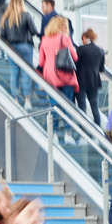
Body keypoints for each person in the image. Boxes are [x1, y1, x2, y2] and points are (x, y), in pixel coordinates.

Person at [38, 16, 77, 145]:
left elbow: (41, 62)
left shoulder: (44, 40)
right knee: (67, 106)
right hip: (64, 75)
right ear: (61, 27)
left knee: (53, 106)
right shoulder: (64, 38)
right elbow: (74, 57)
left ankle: (53, 134)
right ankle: (67, 134)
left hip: (49, 77)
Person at [0, 0, 38, 109]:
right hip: (25, 46)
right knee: (26, 73)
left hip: (11, 48)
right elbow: (34, 31)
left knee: (14, 74)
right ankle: (27, 101)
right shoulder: (26, 15)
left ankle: (15, 100)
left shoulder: (5, 18)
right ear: (21, 4)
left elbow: (3, 36)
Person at [75, 29, 104, 126]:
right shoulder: (101, 50)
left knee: (82, 107)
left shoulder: (81, 49)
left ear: (84, 37)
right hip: (94, 82)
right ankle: (98, 131)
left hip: (81, 81)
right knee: (94, 107)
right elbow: (101, 68)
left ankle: (83, 129)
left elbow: (76, 65)